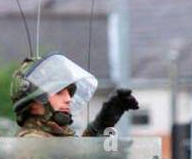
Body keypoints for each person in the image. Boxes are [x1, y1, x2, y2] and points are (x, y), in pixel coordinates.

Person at [11, 53, 139, 138]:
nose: (68, 99)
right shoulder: (32, 142)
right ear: (33, 103)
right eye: (58, 92)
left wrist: (101, 125)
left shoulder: (53, 136)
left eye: (69, 93)